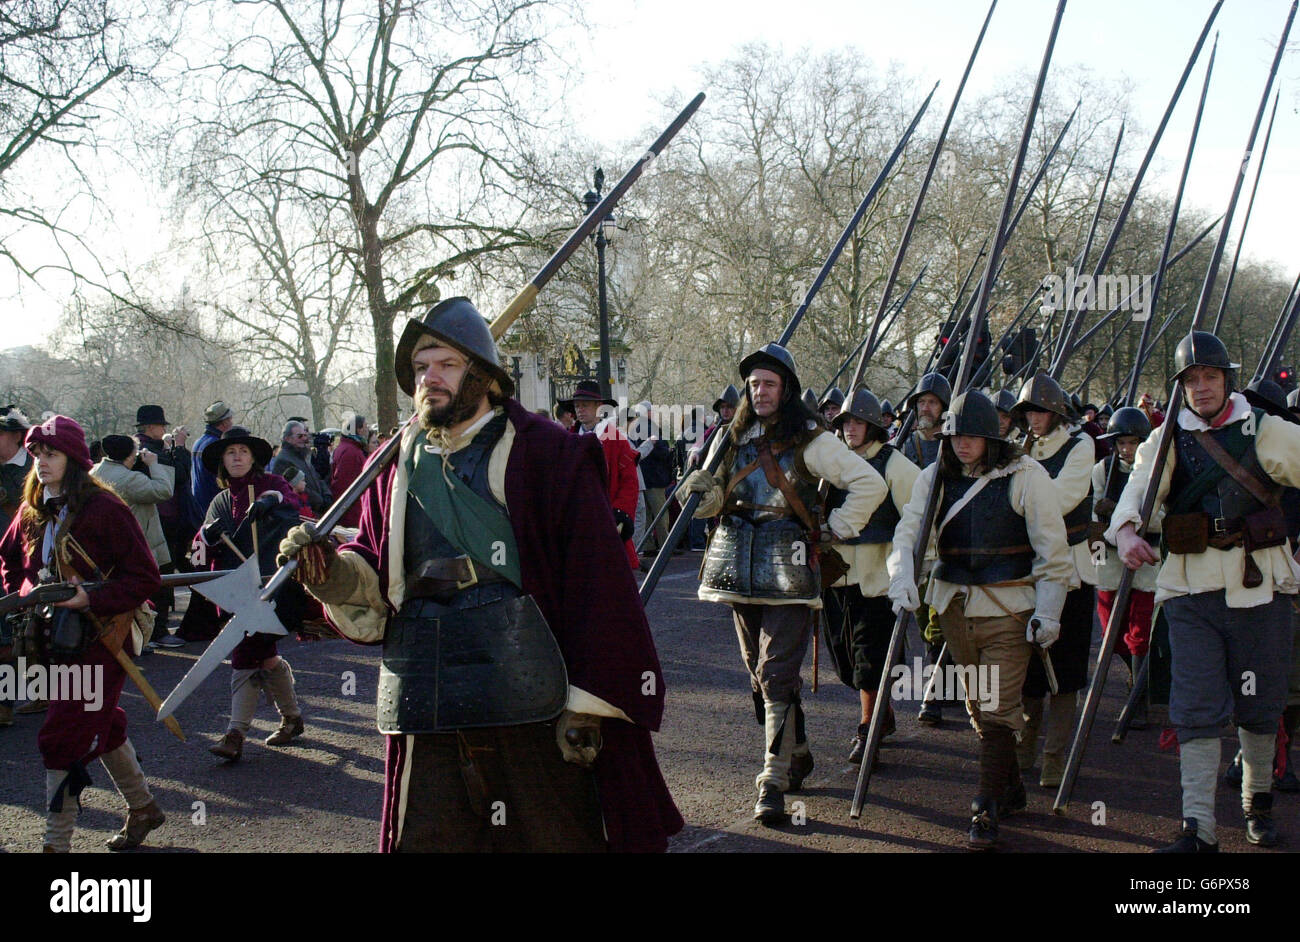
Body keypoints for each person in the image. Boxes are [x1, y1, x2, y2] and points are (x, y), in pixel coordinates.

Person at [278, 296, 682, 852]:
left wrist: (588, 702)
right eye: (421, 368)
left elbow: (598, 585)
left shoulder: (547, 454)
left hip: (527, 673)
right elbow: (376, 568)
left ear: (486, 378)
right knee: (429, 836)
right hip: (422, 675)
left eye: (445, 364)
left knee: (555, 834)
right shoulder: (393, 465)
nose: (429, 379)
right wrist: (330, 575)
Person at [1109, 332, 1300, 852]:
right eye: (1190, 380)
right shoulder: (1165, 438)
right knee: (1194, 709)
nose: (1200, 388)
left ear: (1227, 380)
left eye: (1209, 377)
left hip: (1260, 590)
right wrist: (1127, 530)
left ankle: (1257, 802)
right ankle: (1199, 829)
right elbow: (1140, 488)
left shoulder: (1268, 431)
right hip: (1191, 592)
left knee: (1259, 707)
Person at [680, 342, 886, 824]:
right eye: (754, 384)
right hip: (735, 563)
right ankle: (798, 752)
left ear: (786, 389)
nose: (760, 391)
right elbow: (714, 497)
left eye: (769, 383)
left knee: (775, 672)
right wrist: (702, 495)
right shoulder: (731, 436)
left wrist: (837, 526)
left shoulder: (813, 438)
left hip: (789, 563)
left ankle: (770, 779)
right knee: (760, 671)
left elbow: (869, 484)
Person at [887, 391, 1072, 849]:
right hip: (952, 606)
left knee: (995, 710)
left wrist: (1048, 612)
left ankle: (984, 808)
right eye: (954, 436)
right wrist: (901, 577)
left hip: (1010, 608)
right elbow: (908, 533)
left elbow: (1053, 553)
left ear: (993, 436)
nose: (961, 445)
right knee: (978, 707)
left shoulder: (1028, 476)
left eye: (971, 436)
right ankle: (1009, 789)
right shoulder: (934, 477)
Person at [0, 415, 165, 852]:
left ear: (73, 459)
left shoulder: (106, 509)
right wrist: (30, 590)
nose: (41, 462)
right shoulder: (32, 509)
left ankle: (56, 845)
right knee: (102, 723)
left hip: (103, 638)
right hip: (52, 640)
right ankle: (144, 807)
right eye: (37, 454)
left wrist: (88, 598)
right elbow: (11, 563)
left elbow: (145, 578)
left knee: (60, 737)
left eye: (51, 454)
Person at [821, 389, 919, 762]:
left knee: (870, 658)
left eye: (858, 422)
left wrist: (912, 570)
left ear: (874, 426)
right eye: (845, 422)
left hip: (879, 576)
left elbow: (917, 517)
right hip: (837, 576)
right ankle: (883, 714)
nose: (850, 429)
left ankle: (868, 727)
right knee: (847, 661)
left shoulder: (896, 466)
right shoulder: (833, 464)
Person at [1009, 372, 1096, 788]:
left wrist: (1017, 507)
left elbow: (1063, 500)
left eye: (1040, 410)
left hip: (1071, 569)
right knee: (1028, 666)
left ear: (1057, 412)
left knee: (1066, 669)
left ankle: (1055, 756)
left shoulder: (1081, 446)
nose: (1034, 419)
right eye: (1028, 411)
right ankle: (1025, 745)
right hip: (1027, 569)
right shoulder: (1018, 451)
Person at [198, 426, 306, 761]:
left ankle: (235, 734)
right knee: (265, 655)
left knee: (245, 655)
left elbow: (290, 506)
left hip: (275, 590)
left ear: (254, 457)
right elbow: (203, 547)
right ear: (223, 462)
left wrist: (268, 503)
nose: (237, 457)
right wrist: (208, 534)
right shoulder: (219, 501)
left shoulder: (273, 485)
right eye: (231, 453)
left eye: (243, 451)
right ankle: (292, 719)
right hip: (237, 593)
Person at [1091, 407, 1158, 730]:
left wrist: (1120, 513)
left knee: (1140, 632)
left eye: (1133, 442)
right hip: (1110, 561)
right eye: (1122, 443)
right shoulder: (1102, 471)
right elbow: (1094, 519)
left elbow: (1157, 517)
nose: (1127, 449)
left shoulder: (1156, 472)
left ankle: (1140, 697)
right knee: (1110, 631)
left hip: (1146, 560)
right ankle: (1134, 673)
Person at [91, 435, 186, 650]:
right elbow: (163, 491)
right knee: (153, 587)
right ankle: (154, 633)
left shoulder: (94, 472)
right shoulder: (128, 478)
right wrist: (154, 464)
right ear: (129, 455)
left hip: (106, 544)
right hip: (140, 540)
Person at [901, 372, 951, 727]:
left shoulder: (955, 442)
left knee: (940, 620)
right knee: (923, 618)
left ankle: (933, 695)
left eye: (932, 402)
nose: (925, 408)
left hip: (949, 541)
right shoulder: (910, 446)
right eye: (921, 402)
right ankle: (942, 681)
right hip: (920, 540)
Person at [563, 380, 640, 570]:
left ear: (599, 408)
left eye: (586, 405)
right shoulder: (567, 440)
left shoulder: (616, 440)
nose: (580, 410)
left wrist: (619, 514)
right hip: (576, 520)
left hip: (607, 518)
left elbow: (630, 482)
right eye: (577, 405)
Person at [0, 404, 33, 725]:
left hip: (29, 566)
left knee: (28, 637)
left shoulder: (39, 469)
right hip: (3, 566)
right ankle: (4, 705)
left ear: (15, 436)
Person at [629, 401, 672, 559]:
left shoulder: (632, 428)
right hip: (655, 476)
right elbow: (661, 451)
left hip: (641, 477)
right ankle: (665, 544)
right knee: (660, 513)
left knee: (645, 514)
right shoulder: (651, 428)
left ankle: (647, 545)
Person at [270, 419, 333, 514]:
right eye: (300, 436)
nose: (304, 438)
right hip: (305, 514)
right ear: (287, 439)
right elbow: (295, 489)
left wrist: (327, 495)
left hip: (318, 511)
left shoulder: (302, 456)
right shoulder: (283, 460)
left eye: (305, 435)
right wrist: (320, 501)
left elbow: (318, 478)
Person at [331, 414, 369, 528]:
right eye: (365, 426)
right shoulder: (350, 452)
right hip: (353, 512)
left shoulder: (347, 448)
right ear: (358, 429)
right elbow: (346, 485)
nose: (368, 429)